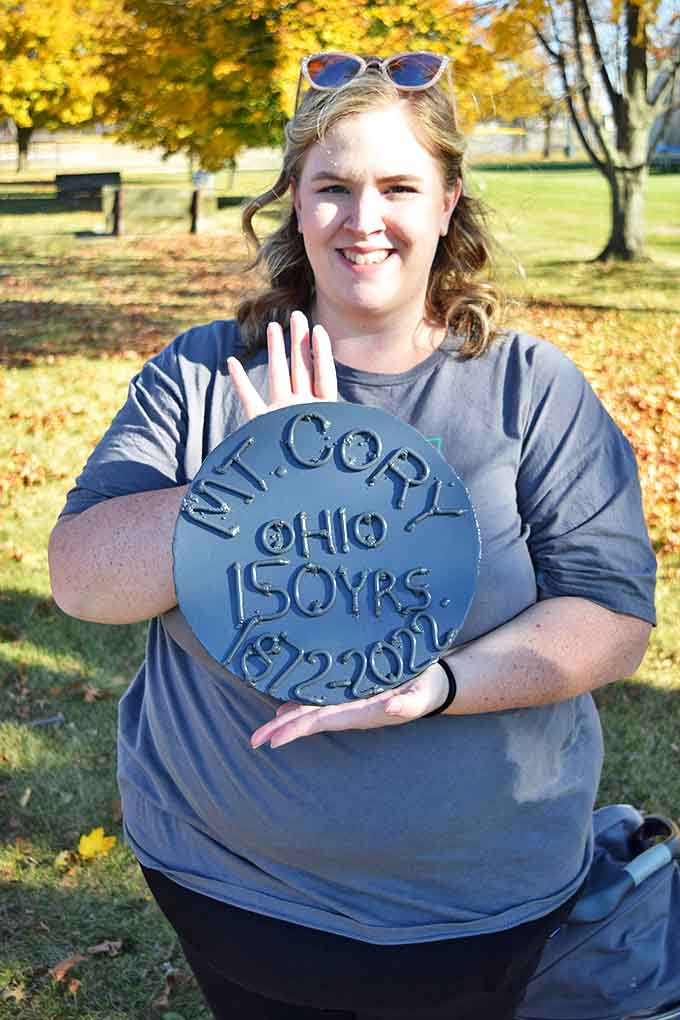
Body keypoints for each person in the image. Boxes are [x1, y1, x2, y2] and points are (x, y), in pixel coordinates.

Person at [48, 51, 656, 1020]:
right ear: (294, 201)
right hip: (229, 886)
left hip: (477, 911)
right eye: (332, 186)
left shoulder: (529, 390)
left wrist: (437, 687)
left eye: (398, 187)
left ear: (448, 202)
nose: (362, 218)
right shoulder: (207, 373)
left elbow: (611, 618)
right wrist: (250, 481)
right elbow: (83, 581)